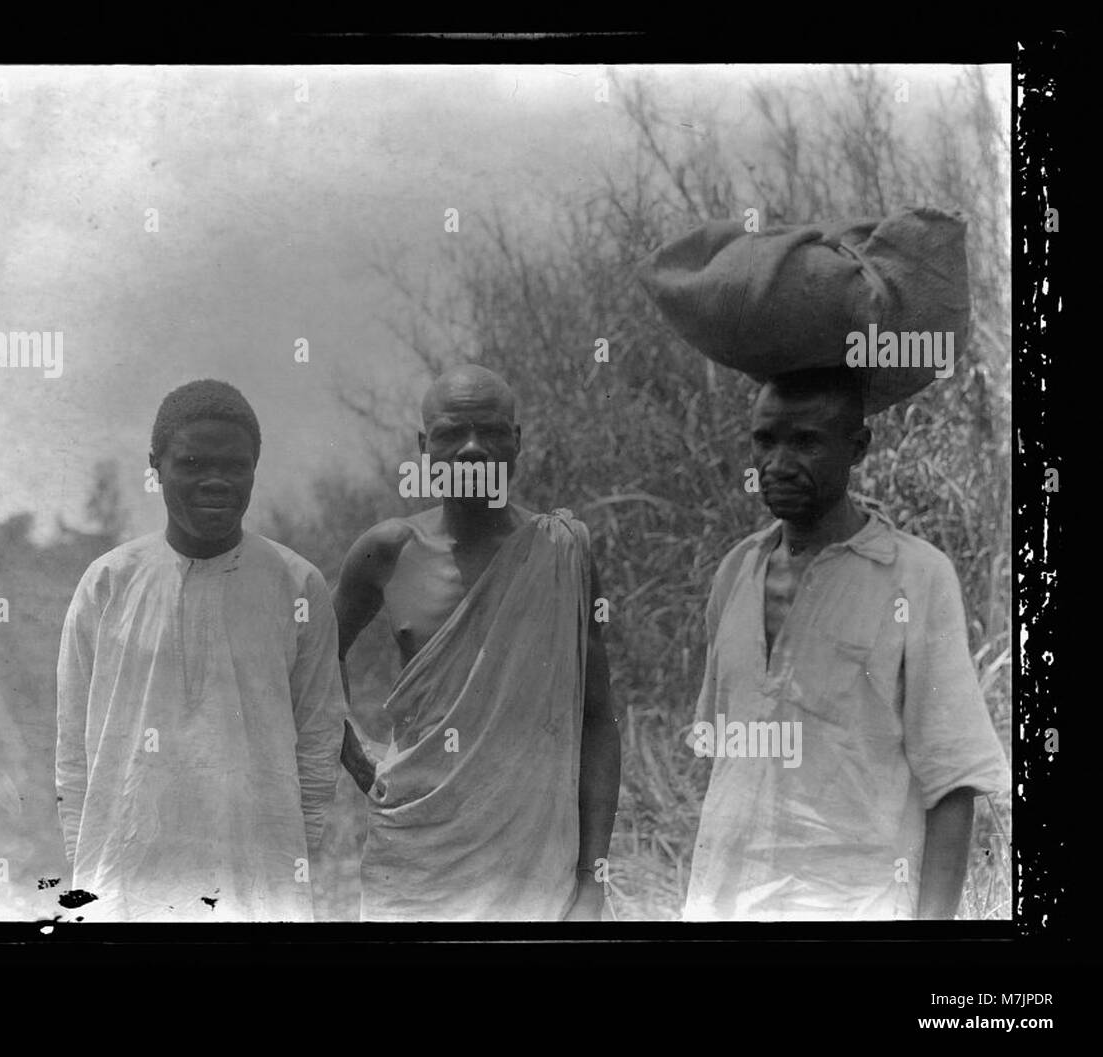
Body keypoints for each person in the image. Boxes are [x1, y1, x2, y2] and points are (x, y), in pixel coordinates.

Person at [684, 367, 1010, 920]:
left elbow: (952, 783)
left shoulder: (916, 576)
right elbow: (724, 754)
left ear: (857, 447)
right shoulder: (736, 572)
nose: (778, 464)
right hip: (724, 903)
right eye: (765, 440)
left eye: (806, 441)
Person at [334, 365, 621, 921]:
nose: (471, 450)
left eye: (490, 432)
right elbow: (314, 654)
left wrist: (592, 884)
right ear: (424, 446)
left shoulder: (563, 550)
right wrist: (360, 758)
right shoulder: (388, 550)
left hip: (535, 864)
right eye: (450, 434)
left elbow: (598, 721)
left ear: (516, 443)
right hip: (417, 854)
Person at [55, 379, 345, 921]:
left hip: (256, 882)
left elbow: (318, 740)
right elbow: (75, 747)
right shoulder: (108, 584)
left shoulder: (297, 586)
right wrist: (90, 870)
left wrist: (287, 863)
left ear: (255, 468)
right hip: (126, 883)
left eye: (235, 466)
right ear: (156, 466)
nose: (215, 481)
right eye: (191, 463)